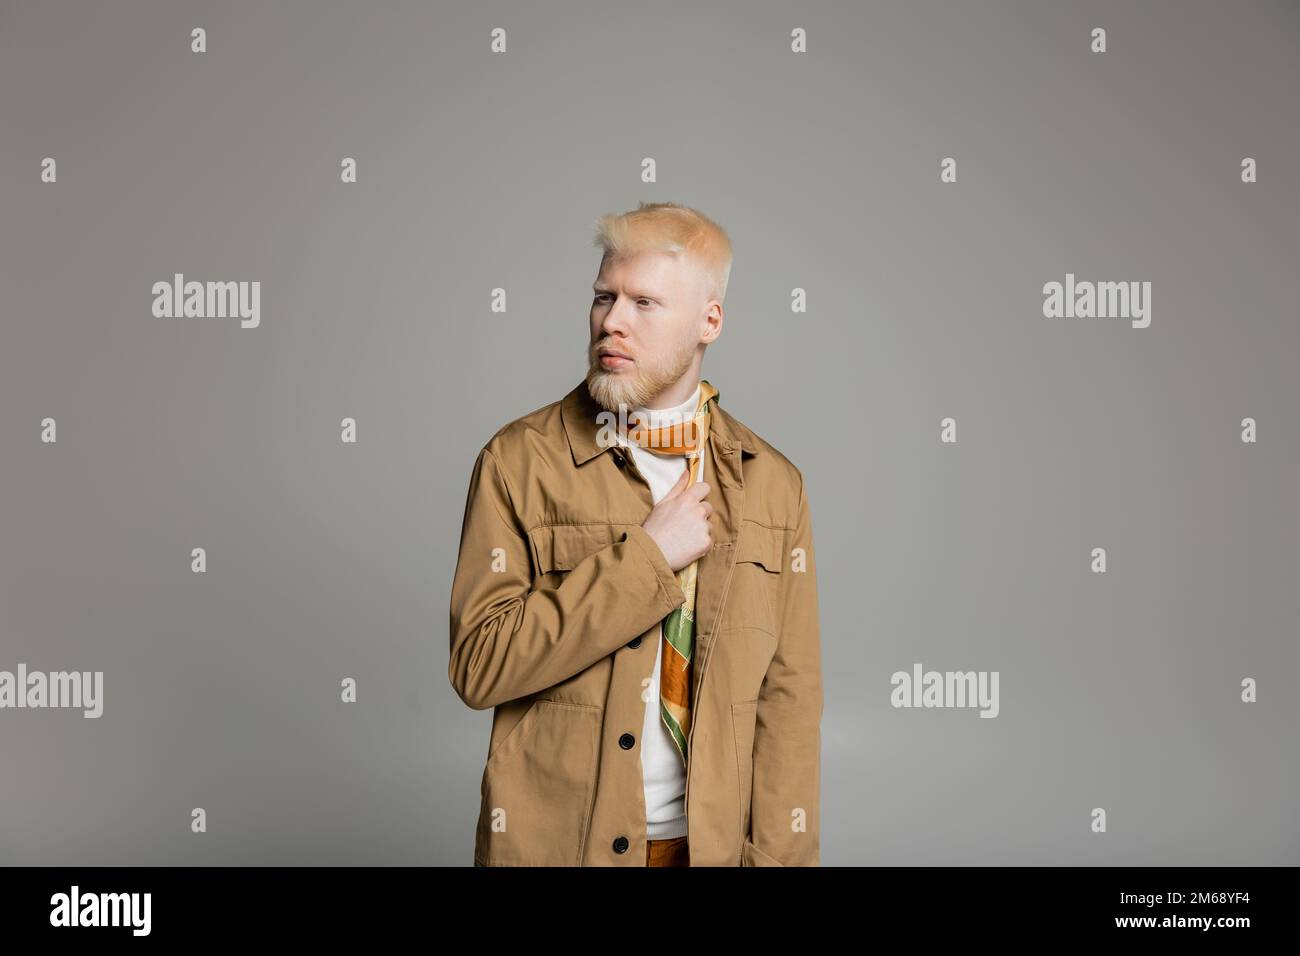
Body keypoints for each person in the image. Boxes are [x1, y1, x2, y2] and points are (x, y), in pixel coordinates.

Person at [449, 201, 822, 866]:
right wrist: (646, 560)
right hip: (558, 850)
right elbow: (479, 666)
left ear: (710, 320)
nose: (611, 322)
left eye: (644, 303)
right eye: (603, 297)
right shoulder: (519, 462)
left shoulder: (773, 485)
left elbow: (787, 704)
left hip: (706, 851)